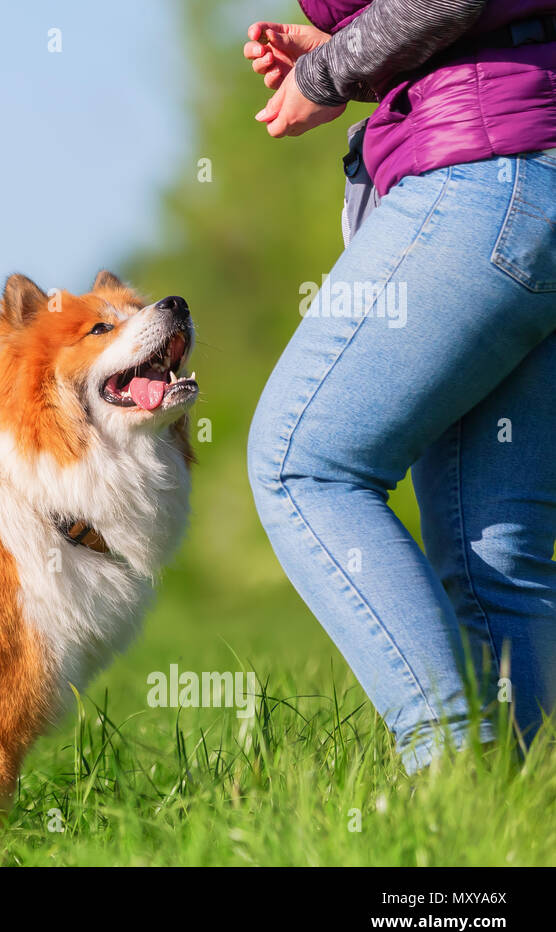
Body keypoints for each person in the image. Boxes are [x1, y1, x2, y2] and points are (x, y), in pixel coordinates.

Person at [244, 0, 556, 771]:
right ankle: (519, 830)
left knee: (303, 463)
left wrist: (327, 71)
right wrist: (354, 46)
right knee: (496, 548)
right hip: (528, 169)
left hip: (484, 172)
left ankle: (454, 776)